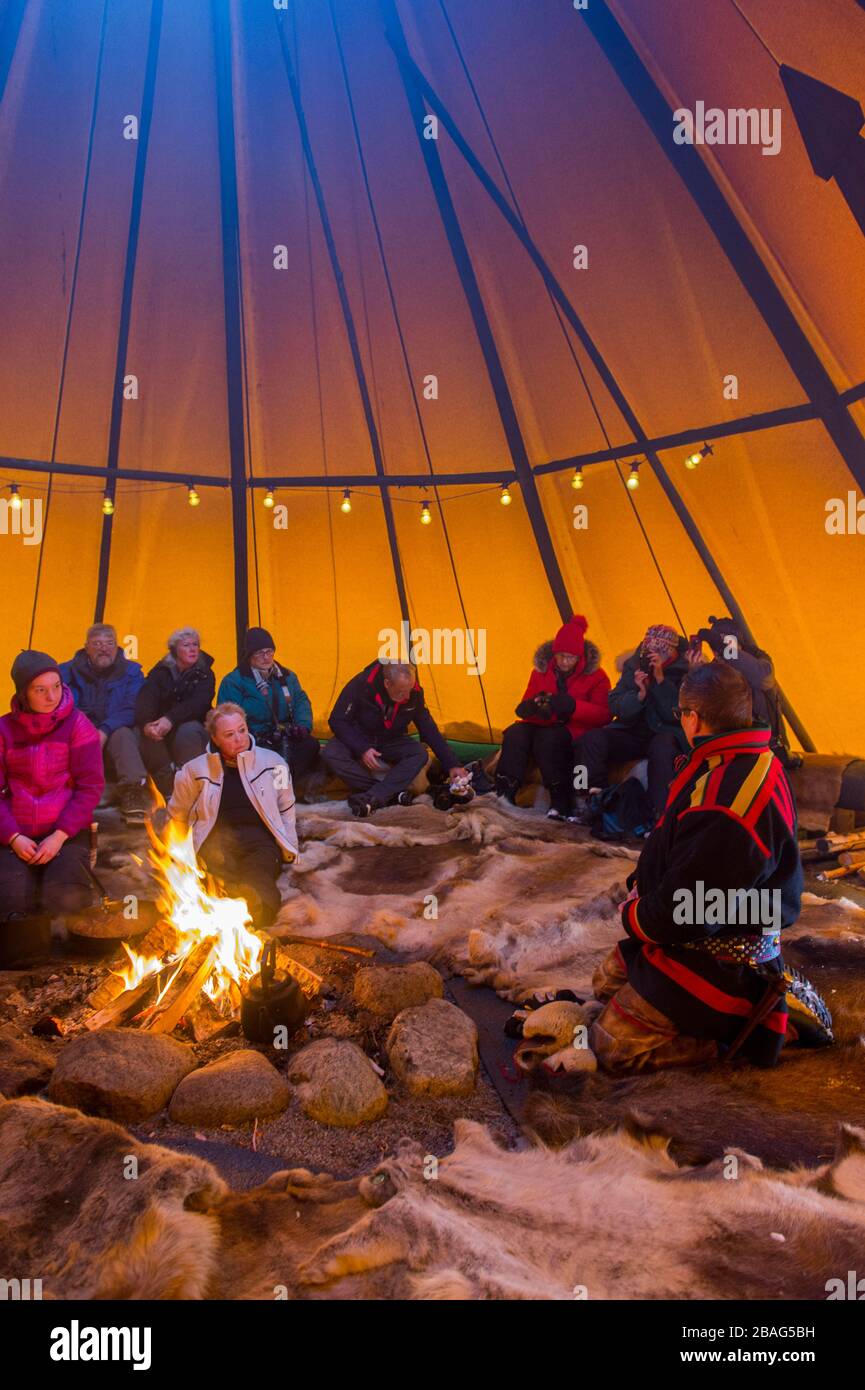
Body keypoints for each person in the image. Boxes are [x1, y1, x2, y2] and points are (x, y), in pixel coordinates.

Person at [587, 661, 803, 1073]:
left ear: (692, 717)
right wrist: (644, 886)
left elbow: (691, 910)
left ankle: (739, 1038)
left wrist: (634, 913)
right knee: (604, 984)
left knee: (611, 1045)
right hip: (699, 923)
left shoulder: (728, 804)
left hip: (723, 951)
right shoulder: (736, 757)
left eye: (680, 714)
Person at [0, 652, 103, 963]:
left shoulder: (78, 725)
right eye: (40, 689)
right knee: (12, 909)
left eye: (56, 686)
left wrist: (59, 836)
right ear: (22, 693)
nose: (51, 696)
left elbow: (90, 788)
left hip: (65, 834)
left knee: (65, 904)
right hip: (14, 835)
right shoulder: (4, 730)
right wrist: (13, 838)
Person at [166, 702, 297, 930]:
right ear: (215, 739)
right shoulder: (194, 770)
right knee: (217, 875)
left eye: (242, 730)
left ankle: (257, 916)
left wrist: (289, 845)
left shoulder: (273, 762)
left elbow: (286, 806)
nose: (239, 739)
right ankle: (222, 921)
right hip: (215, 838)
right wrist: (177, 854)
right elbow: (177, 814)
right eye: (229, 734)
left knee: (258, 874)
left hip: (260, 838)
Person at [574, 623, 694, 822]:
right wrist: (639, 695)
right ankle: (588, 796)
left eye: (659, 652)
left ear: (671, 653)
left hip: (663, 734)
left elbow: (676, 714)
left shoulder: (685, 673)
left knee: (663, 746)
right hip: (631, 732)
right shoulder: (633, 667)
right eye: (649, 650)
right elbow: (615, 705)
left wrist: (660, 682)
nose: (653, 655)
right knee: (591, 739)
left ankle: (658, 813)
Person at [495, 614, 610, 820]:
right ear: (554, 654)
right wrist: (531, 707)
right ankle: (506, 792)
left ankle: (560, 800)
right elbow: (526, 702)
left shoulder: (597, 676)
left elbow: (604, 715)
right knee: (514, 734)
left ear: (580, 656)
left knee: (548, 739)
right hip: (543, 722)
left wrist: (574, 706)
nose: (565, 661)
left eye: (570, 657)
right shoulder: (540, 671)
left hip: (573, 727)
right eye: (561, 656)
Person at [323, 659, 468, 817]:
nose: (407, 696)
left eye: (409, 690)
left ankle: (375, 796)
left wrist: (452, 765)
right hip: (360, 736)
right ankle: (389, 795)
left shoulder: (414, 693)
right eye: (401, 692)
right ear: (387, 683)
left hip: (390, 739)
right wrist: (362, 748)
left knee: (419, 753)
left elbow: (428, 729)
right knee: (331, 753)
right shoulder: (361, 684)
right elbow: (337, 720)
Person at [60, 623, 149, 823]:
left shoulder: (132, 672)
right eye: (97, 643)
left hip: (114, 730)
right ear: (86, 647)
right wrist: (87, 730)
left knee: (124, 734)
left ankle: (134, 791)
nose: (104, 648)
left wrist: (105, 730)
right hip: (80, 729)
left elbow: (132, 707)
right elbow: (65, 705)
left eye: (109, 643)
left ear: (117, 646)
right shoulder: (66, 672)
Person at [217, 627, 320, 788]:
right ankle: (269, 790)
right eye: (259, 653)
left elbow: (301, 701)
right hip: (253, 738)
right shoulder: (235, 681)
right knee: (263, 755)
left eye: (269, 651)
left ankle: (288, 787)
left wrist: (302, 726)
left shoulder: (287, 676)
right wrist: (249, 736)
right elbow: (227, 716)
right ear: (249, 655)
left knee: (309, 745)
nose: (266, 657)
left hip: (284, 733)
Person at [135, 627, 214, 798]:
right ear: (174, 649)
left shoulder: (206, 673)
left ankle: (191, 781)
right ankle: (166, 785)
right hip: (163, 728)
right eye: (186, 645)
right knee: (146, 733)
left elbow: (198, 704)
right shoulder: (160, 672)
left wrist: (170, 719)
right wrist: (147, 723)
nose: (193, 649)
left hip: (194, 729)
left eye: (196, 645)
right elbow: (146, 698)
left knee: (188, 730)